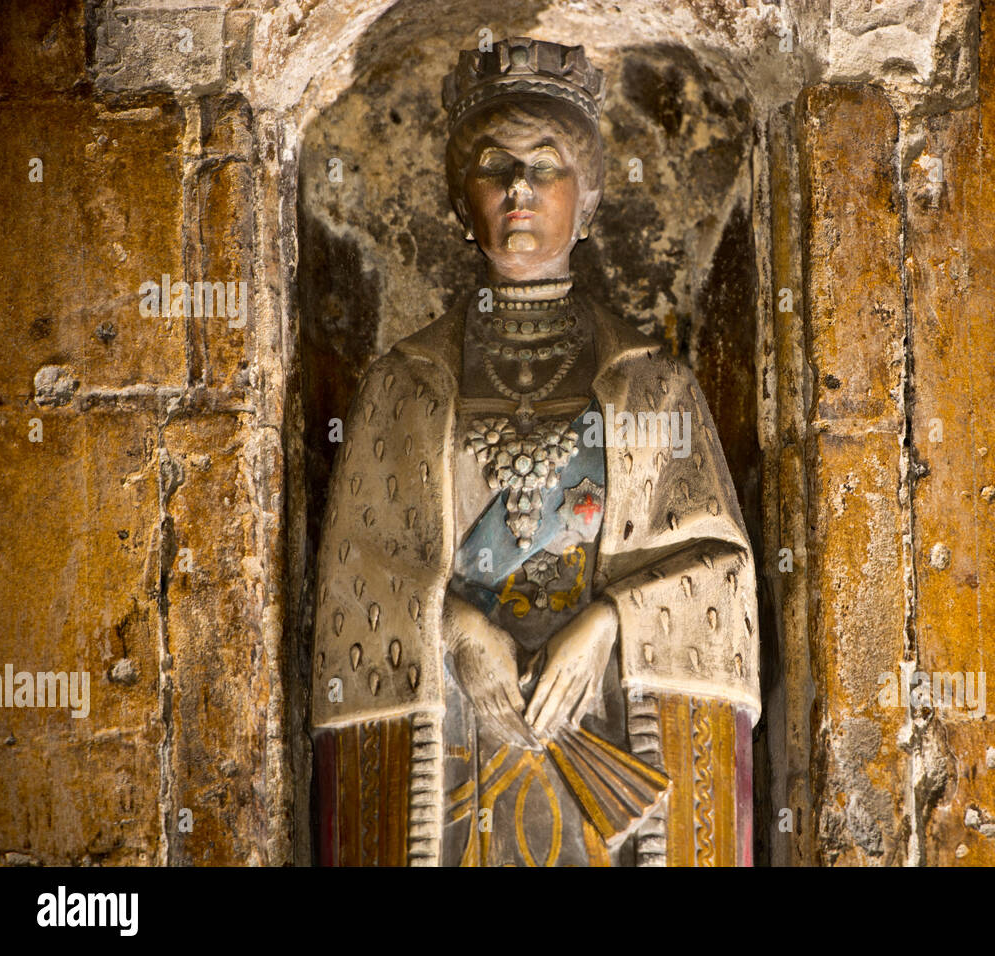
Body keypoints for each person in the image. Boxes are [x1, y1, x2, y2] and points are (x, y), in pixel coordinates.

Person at [312, 37, 759, 866]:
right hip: (455, 738)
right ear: (460, 199)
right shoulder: (404, 385)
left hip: (605, 734)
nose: (519, 188)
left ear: (587, 203)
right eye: (493, 165)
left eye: (547, 165)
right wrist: (453, 630)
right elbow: (355, 578)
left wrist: (606, 623)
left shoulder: (648, 383)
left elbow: (720, 573)